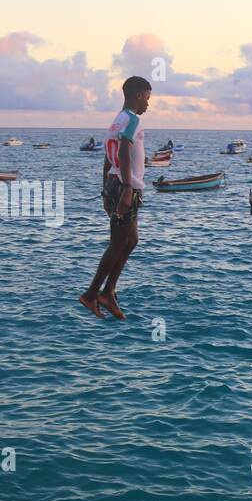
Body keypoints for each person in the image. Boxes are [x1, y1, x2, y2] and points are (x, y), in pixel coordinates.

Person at [80, 75, 151, 320]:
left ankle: (108, 291)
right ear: (139, 95)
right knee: (119, 242)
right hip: (124, 186)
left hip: (113, 184)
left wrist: (104, 189)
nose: (148, 105)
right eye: (147, 98)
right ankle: (92, 294)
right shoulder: (132, 119)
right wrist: (128, 188)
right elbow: (123, 148)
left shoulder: (116, 121)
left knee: (130, 240)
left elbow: (106, 158)